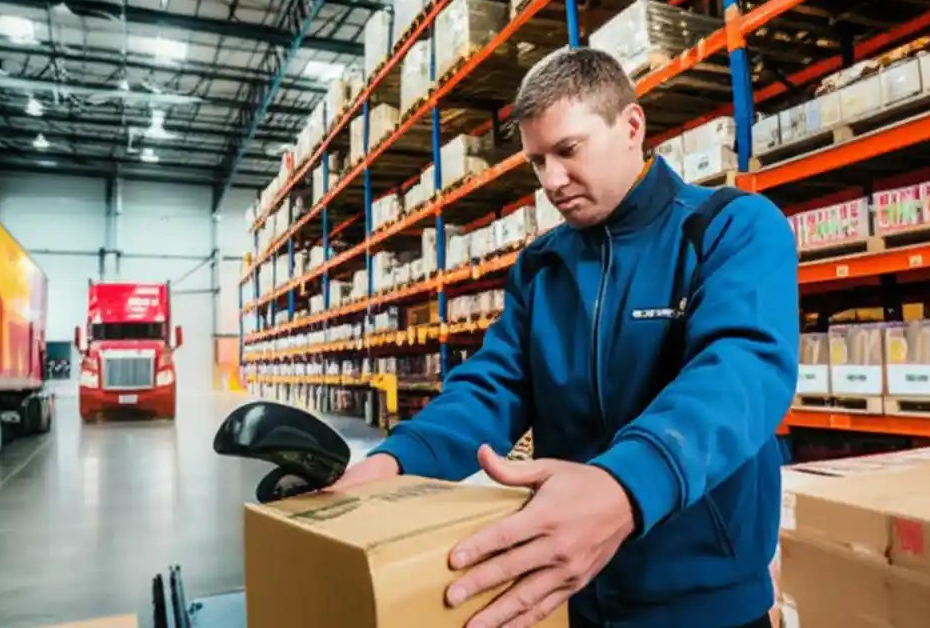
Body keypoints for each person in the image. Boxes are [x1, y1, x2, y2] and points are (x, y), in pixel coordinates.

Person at [332, 46, 799, 628]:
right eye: (536, 162)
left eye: (568, 150)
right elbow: (492, 385)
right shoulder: (541, 267)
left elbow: (741, 371)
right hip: (567, 592)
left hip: (705, 605)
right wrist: (396, 461)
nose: (551, 181)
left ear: (631, 126)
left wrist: (623, 485)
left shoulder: (731, 227)